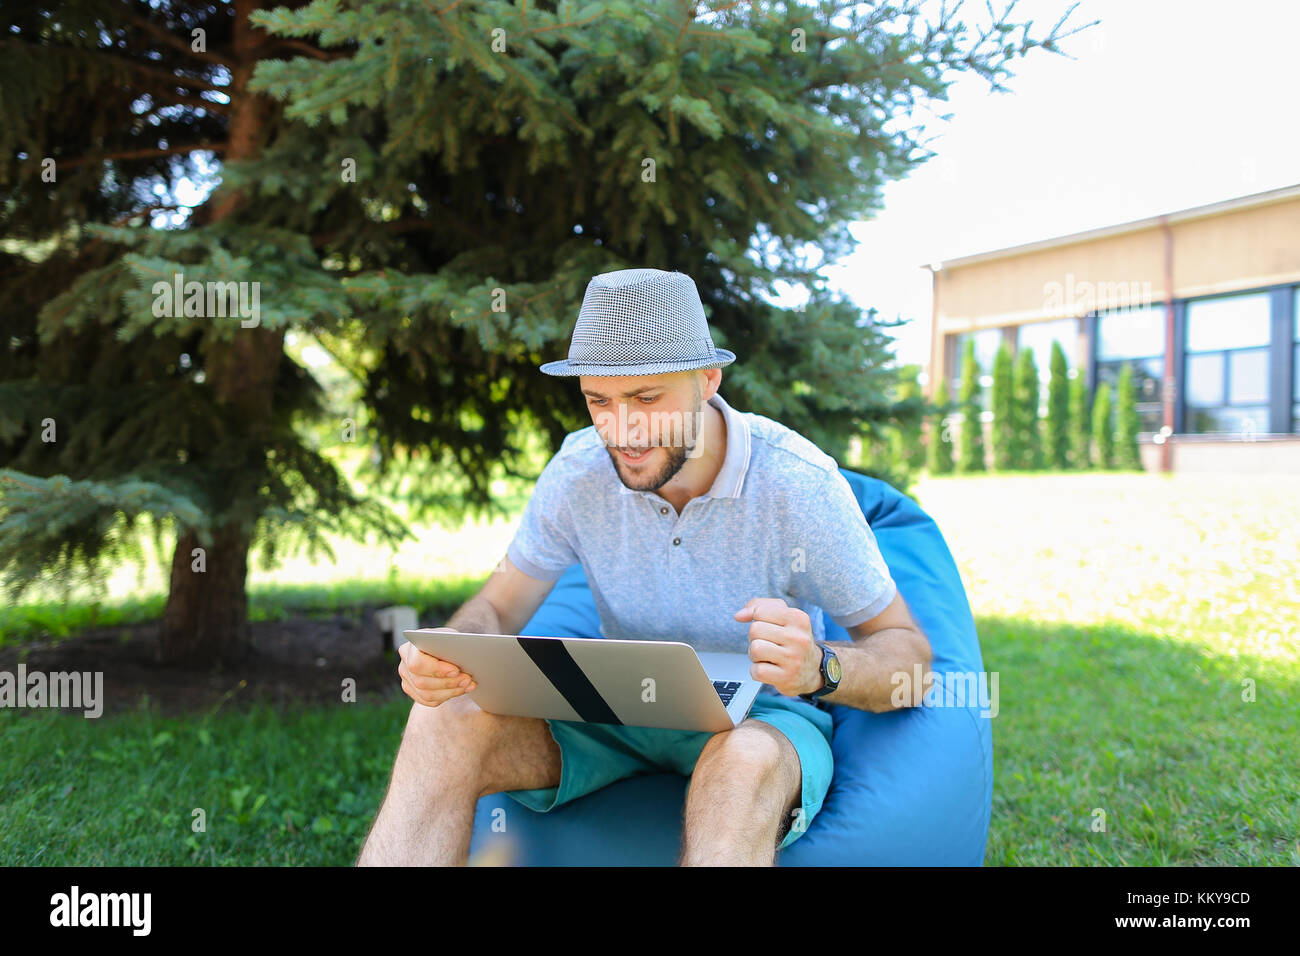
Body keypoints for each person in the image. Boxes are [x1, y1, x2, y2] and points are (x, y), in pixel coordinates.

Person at [357, 268, 931, 866]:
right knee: (442, 719)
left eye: (646, 399)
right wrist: (456, 646)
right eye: (598, 401)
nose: (621, 431)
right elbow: (498, 605)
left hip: (758, 715)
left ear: (708, 380)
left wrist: (821, 667)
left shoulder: (797, 483)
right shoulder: (578, 470)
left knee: (743, 765)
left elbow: (908, 657)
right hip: (617, 704)